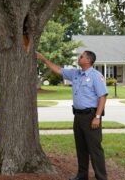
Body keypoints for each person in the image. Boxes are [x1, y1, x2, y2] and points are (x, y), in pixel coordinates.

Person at [36, 51, 108, 180]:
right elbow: (58, 70)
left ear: (88, 60)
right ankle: (82, 175)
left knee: (95, 149)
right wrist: (43, 59)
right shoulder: (76, 74)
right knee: (81, 148)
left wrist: (97, 117)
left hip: (91, 116)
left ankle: (101, 177)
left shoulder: (96, 76)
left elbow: (102, 96)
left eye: (81, 56)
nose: (78, 58)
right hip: (78, 116)